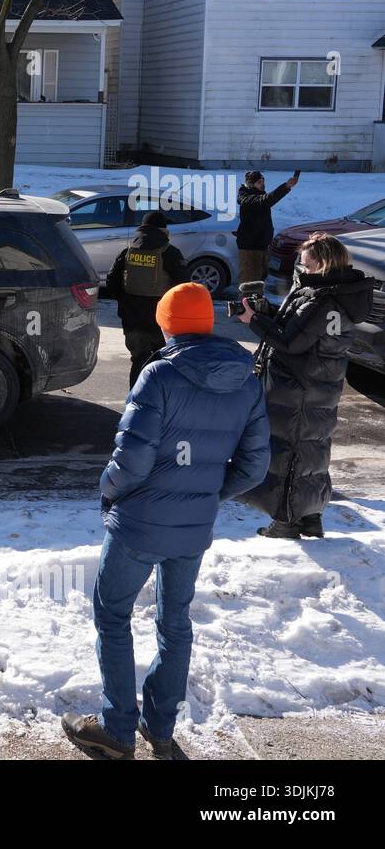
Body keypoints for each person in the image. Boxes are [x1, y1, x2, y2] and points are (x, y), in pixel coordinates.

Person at [62, 283, 269, 760]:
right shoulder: (247, 378)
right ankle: (160, 730)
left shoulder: (159, 375)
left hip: (138, 524)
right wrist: (204, 495)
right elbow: (254, 467)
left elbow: (131, 463)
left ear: (167, 322)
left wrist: (107, 491)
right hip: (193, 528)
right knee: (175, 624)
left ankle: (116, 730)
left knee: (112, 615)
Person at [237, 233, 374, 539]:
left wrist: (254, 321)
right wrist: (269, 313)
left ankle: (285, 520)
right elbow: (302, 329)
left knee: (289, 452)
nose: (300, 266)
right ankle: (311, 516)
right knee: (312, 451)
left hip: (298, 387)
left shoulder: (323, 299)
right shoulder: (336, 294)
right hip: (317, 385)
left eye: (306, 262)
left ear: (322, 264)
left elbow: (291, 341)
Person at [106, 211, 190, 388]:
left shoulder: (128, 251)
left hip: (132, 318)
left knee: (138, 361)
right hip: (160, 318)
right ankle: (159, 403)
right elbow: (184, 285)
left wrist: (125, 301)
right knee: (162, 362)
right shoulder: (170, 253)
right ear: (162, 229)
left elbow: (111, 281)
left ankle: (135, 402)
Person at [236, 169, 298, 284]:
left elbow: (266, 200)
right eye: (259, 182)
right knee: (248, 281)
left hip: (262, 246)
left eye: (263, 181)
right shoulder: (247, 199)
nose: (262, 184)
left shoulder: (259, 196)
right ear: (251, 184)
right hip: (250, 248)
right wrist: (286, 186)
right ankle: (245, 301)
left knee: (260, 278)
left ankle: (258, 301)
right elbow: (267, 200)